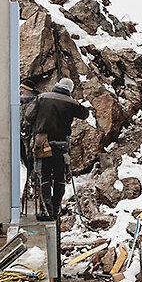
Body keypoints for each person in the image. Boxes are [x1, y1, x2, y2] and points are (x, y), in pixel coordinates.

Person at [23, 77, 89, 221]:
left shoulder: (42, 98)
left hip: (43, 143)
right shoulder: (71, 103)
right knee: (60, 178)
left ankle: (47, 211)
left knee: (43, 176)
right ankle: (56, 208)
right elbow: (85, 114)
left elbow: (29, 116)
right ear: (69, 90)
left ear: (57, 85)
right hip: (61, 145)